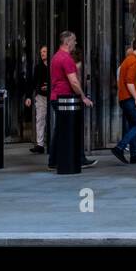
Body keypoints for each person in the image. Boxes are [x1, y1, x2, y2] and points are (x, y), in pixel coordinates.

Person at [48, 30, 96, 170]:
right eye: (74, 40)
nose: (76, 43)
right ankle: (78, 158)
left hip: (57, 97)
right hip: (66, 99)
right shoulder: (66, 58)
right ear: (67, 42)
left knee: (60, 129)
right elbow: (74, 82)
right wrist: (83, 97)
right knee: (74, 128)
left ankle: (54, 160)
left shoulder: (56, 57)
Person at [112, 39, 136, 165]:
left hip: (124, 98)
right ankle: (120, 147)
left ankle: (134, 154)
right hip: (129, 99)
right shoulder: (133, 61)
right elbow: (129, 81)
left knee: (133, 124)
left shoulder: (127, 61)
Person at [25, 45, 49, 154]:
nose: (42, 54)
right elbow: (33, 82)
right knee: (40, 119)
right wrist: (29, 96)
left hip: (52, 95)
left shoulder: (54, 65)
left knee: (52, 119)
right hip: (41, 96)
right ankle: (40, 144)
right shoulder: (38, 67)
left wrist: (50, 86)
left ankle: (51, 142)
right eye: (41, 52)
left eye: (44, 51)